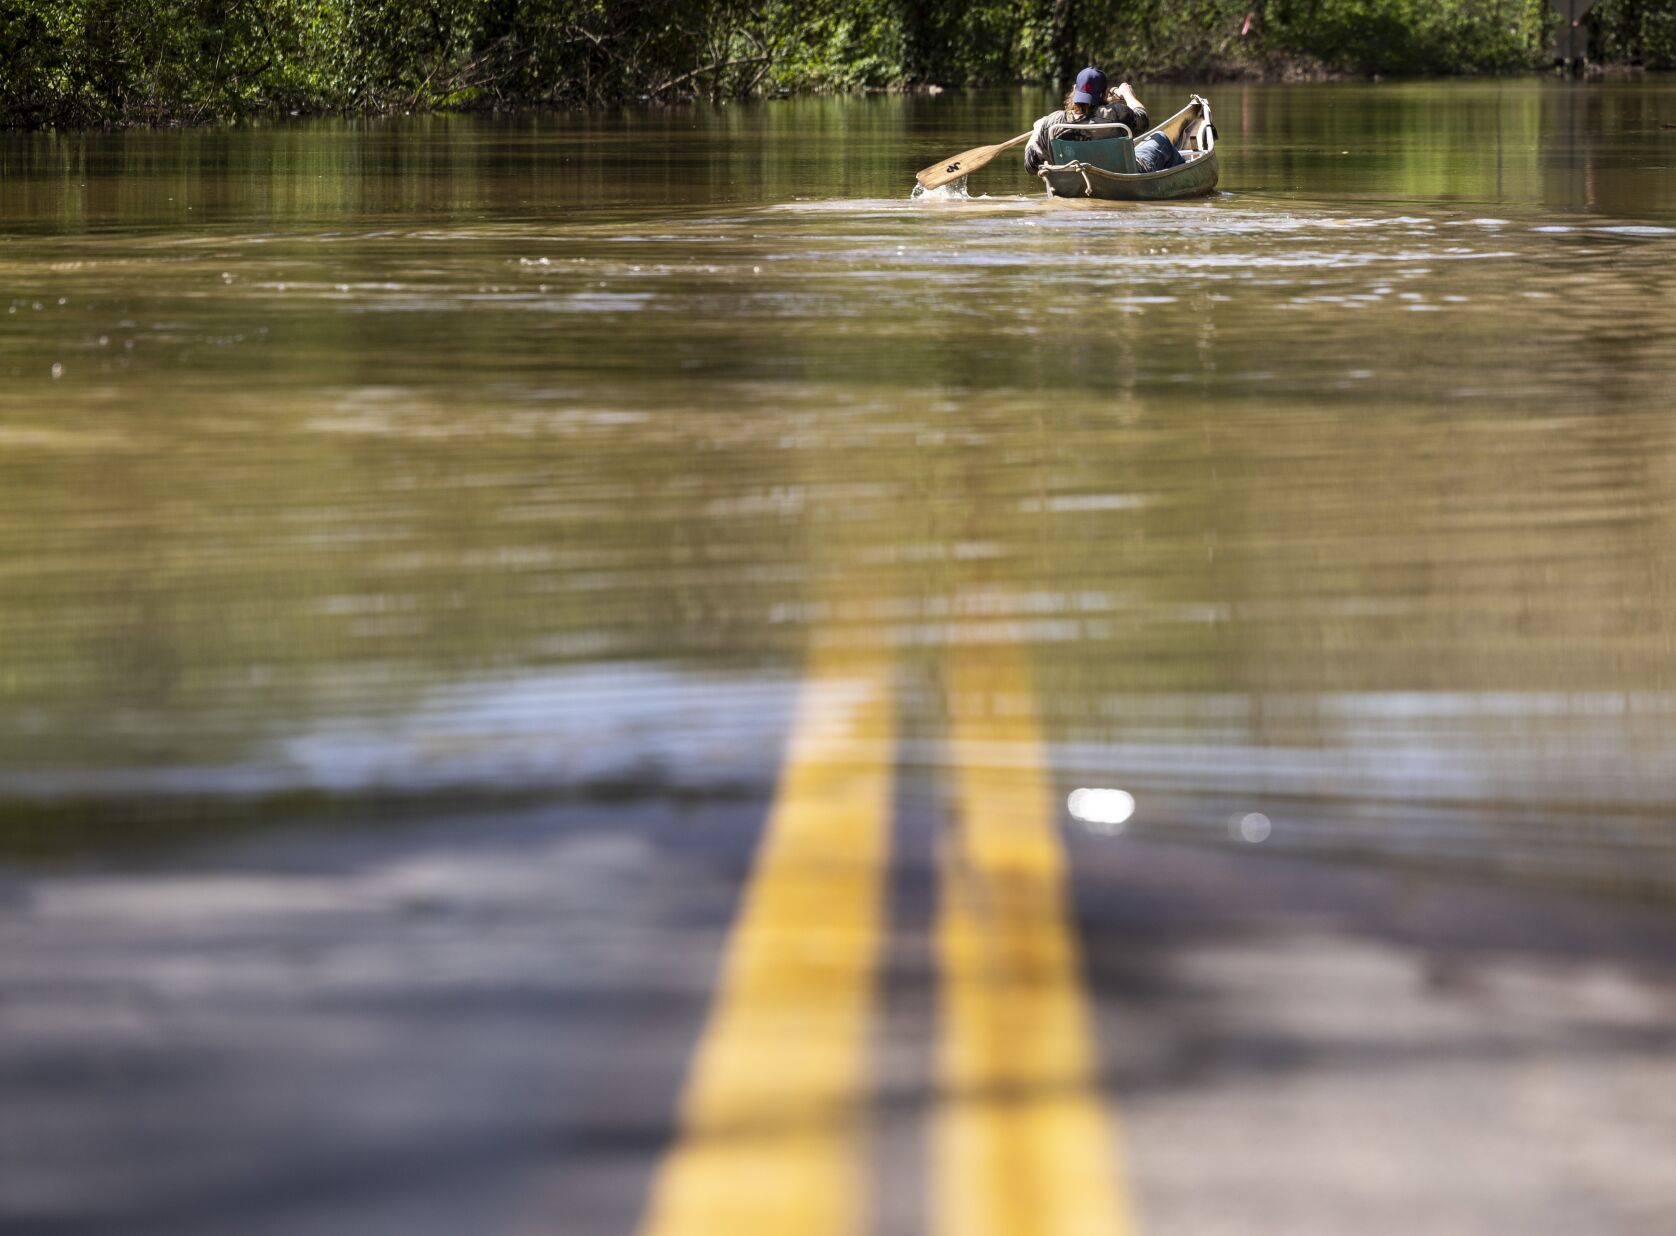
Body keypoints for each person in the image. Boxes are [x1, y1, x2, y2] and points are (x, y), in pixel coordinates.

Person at [1023, 67, 1185, 176]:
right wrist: (1127, 93)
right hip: (1123, 176)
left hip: (1074, 180)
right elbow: (1142, 118)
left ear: (1074, 90)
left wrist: (1038, 129)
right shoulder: (1116, 115)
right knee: (1160, 138)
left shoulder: (1054, 122)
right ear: (1104, 94)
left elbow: (1031, 164)